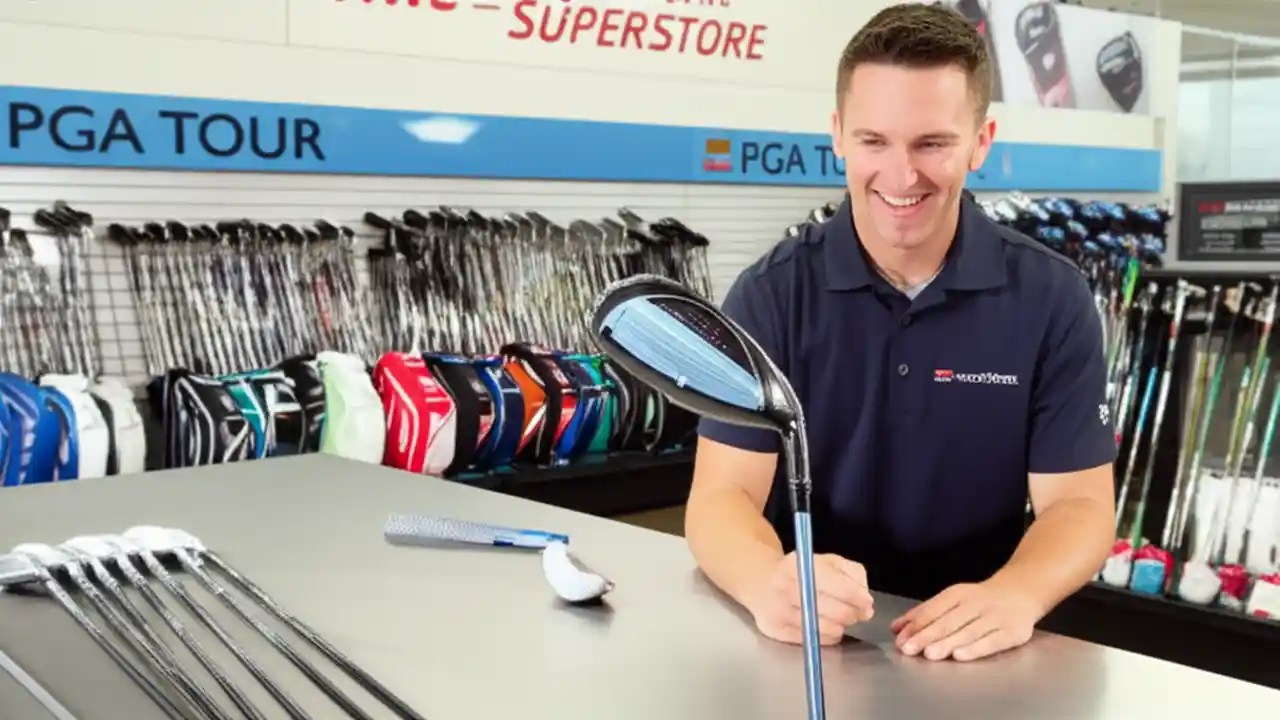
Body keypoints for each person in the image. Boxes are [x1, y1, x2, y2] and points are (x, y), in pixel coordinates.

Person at [685, 4, 1117, 663]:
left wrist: (1016, 595)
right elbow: (722, 496)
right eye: (874, 141)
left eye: (932, 143)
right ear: (837, 135)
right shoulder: (770, 296)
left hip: (980, 653)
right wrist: (767, 583)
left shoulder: (1051, 299)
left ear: (981, 140)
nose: (901, 175)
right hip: (807, 646)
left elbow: (1080, 505)